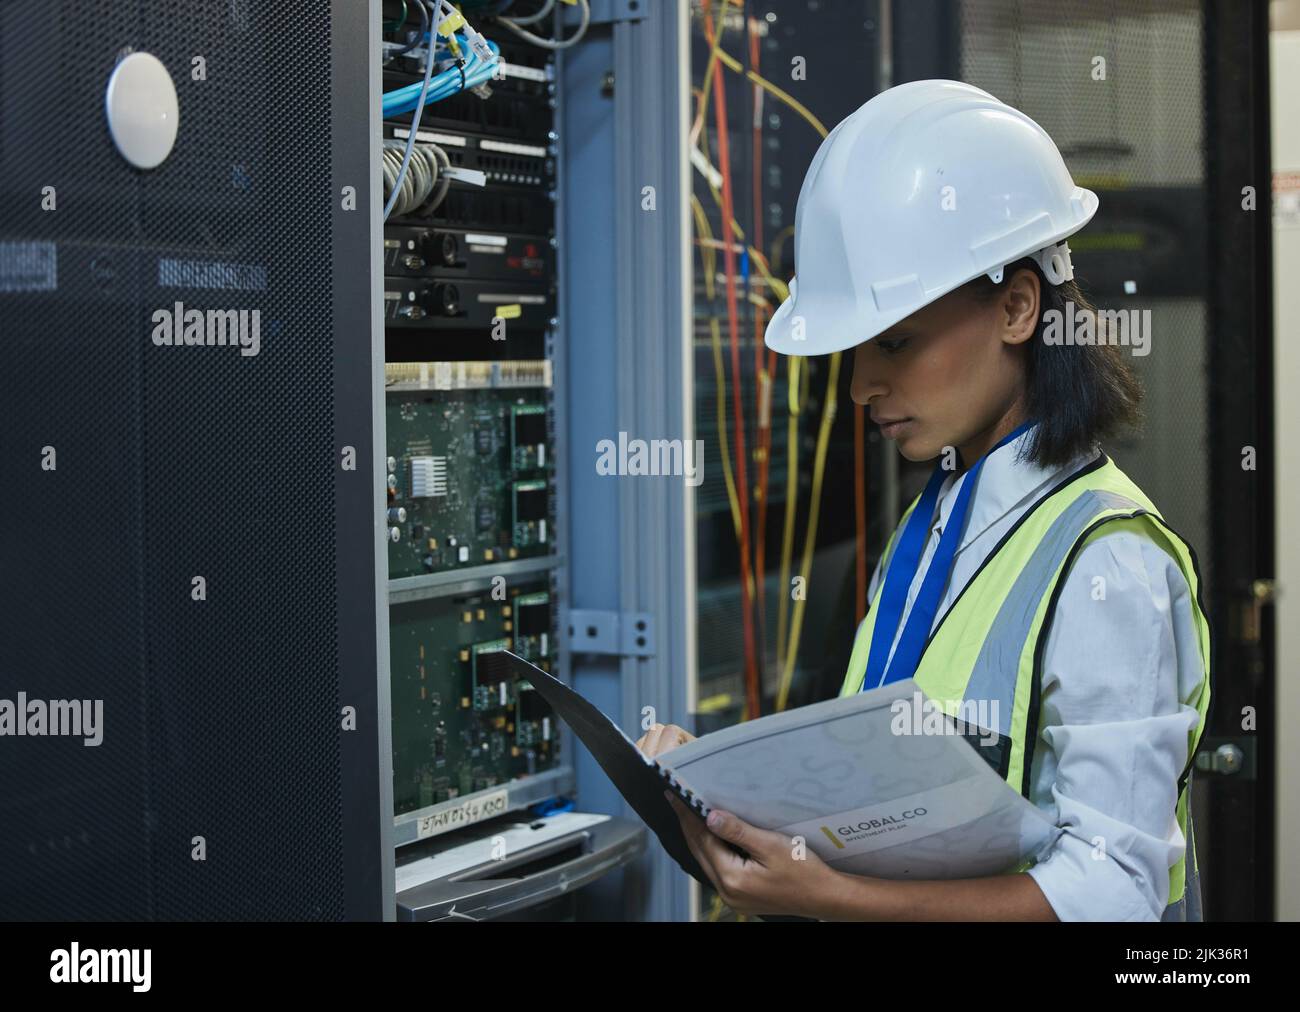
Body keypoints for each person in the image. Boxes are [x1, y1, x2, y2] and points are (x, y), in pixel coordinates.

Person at [637, 80, 1212, 922]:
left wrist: (835, 897)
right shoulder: (938, 523)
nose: (863, 384)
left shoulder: (1107, 563)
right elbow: (891, 807)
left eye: (895, 341)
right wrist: (726, 793)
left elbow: (1115, 891)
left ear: (1018, 307)